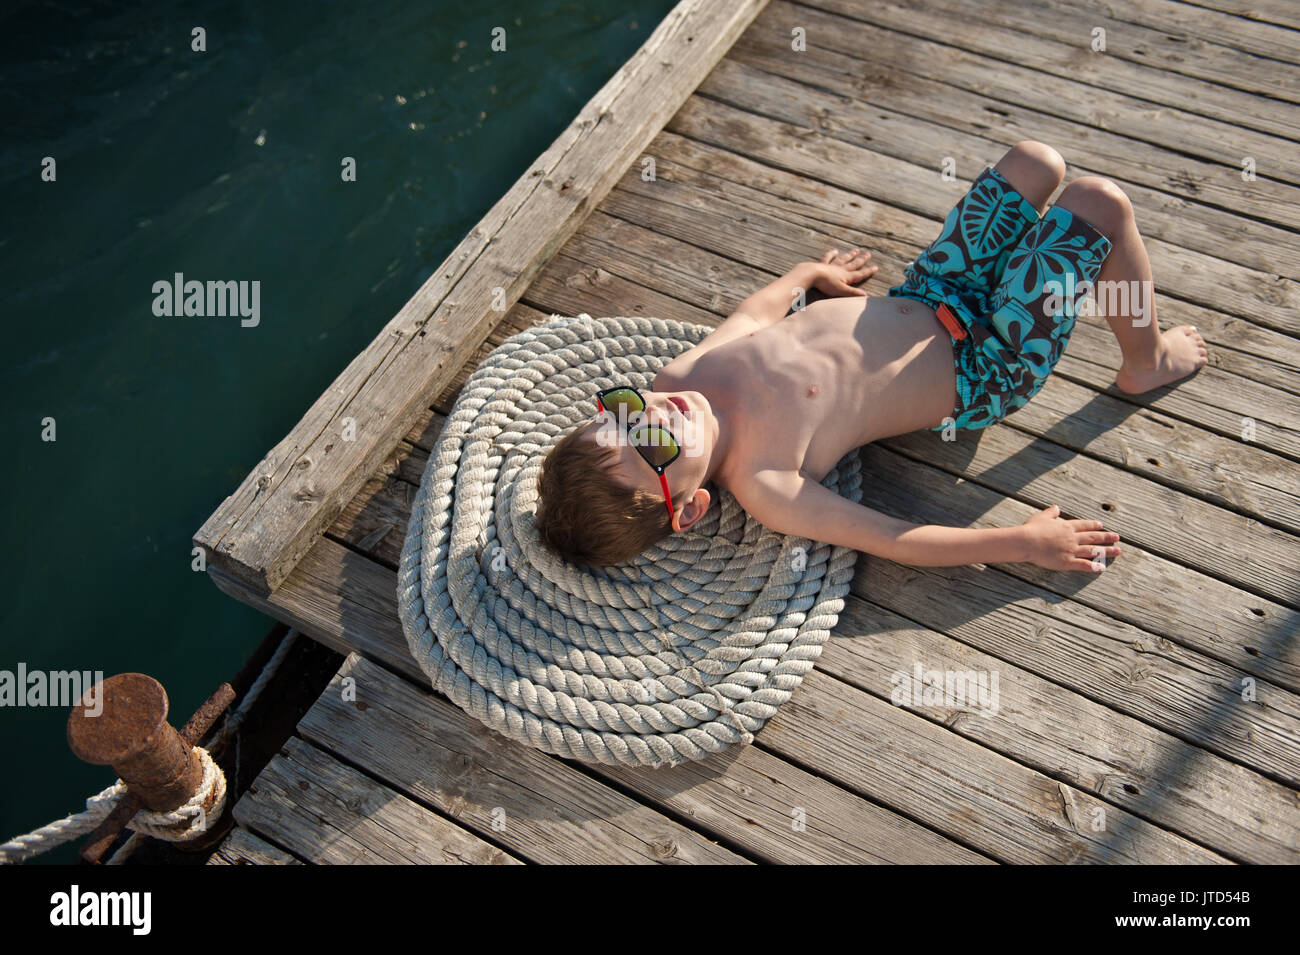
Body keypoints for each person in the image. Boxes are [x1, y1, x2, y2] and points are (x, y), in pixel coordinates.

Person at [535, 141, 1207, 570]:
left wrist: (803, 277)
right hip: (986, 362)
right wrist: (1023, 543)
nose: (651, 409)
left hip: (935, 293)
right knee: (1100, 205)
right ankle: (1145, 358)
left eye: (621, 408)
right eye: (650, 442)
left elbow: (750, 316)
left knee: (1037, 163)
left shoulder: (682, 376)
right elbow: (894, 537)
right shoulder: (769, 481)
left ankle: (1064, 270)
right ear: (689, 510)